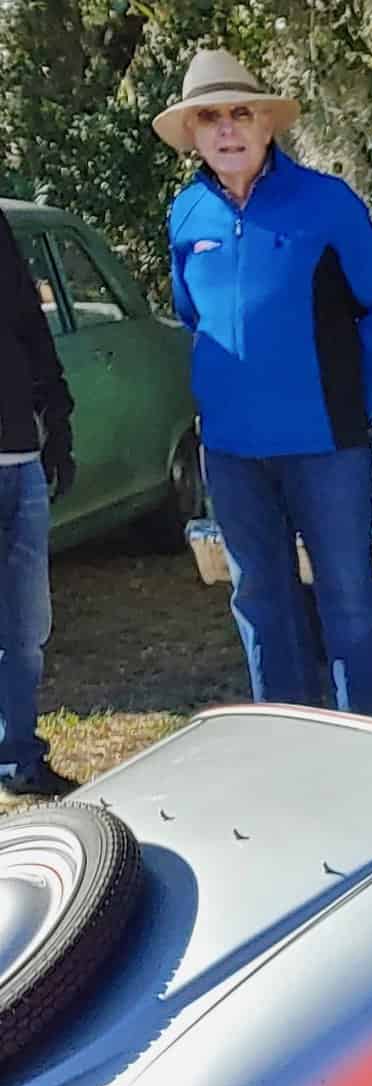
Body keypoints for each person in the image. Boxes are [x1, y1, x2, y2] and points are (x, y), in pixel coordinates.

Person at [161, 49, 372, 714]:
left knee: (347, 599)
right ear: (193, 135)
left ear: (268, 125)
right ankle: (284, 737)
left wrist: (355, 403)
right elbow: (194, 318)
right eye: (209, 117)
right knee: (259, 599)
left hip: (326, 446)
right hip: (234, 453)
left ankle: (363, 739)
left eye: (241, 113)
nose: (227, 128)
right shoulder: (185, 217)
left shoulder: (327, 204)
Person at [0, 202, 73, 798]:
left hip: (20, 460)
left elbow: (28, 323)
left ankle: (18, 758)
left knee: (26, 627)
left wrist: (59, 417)